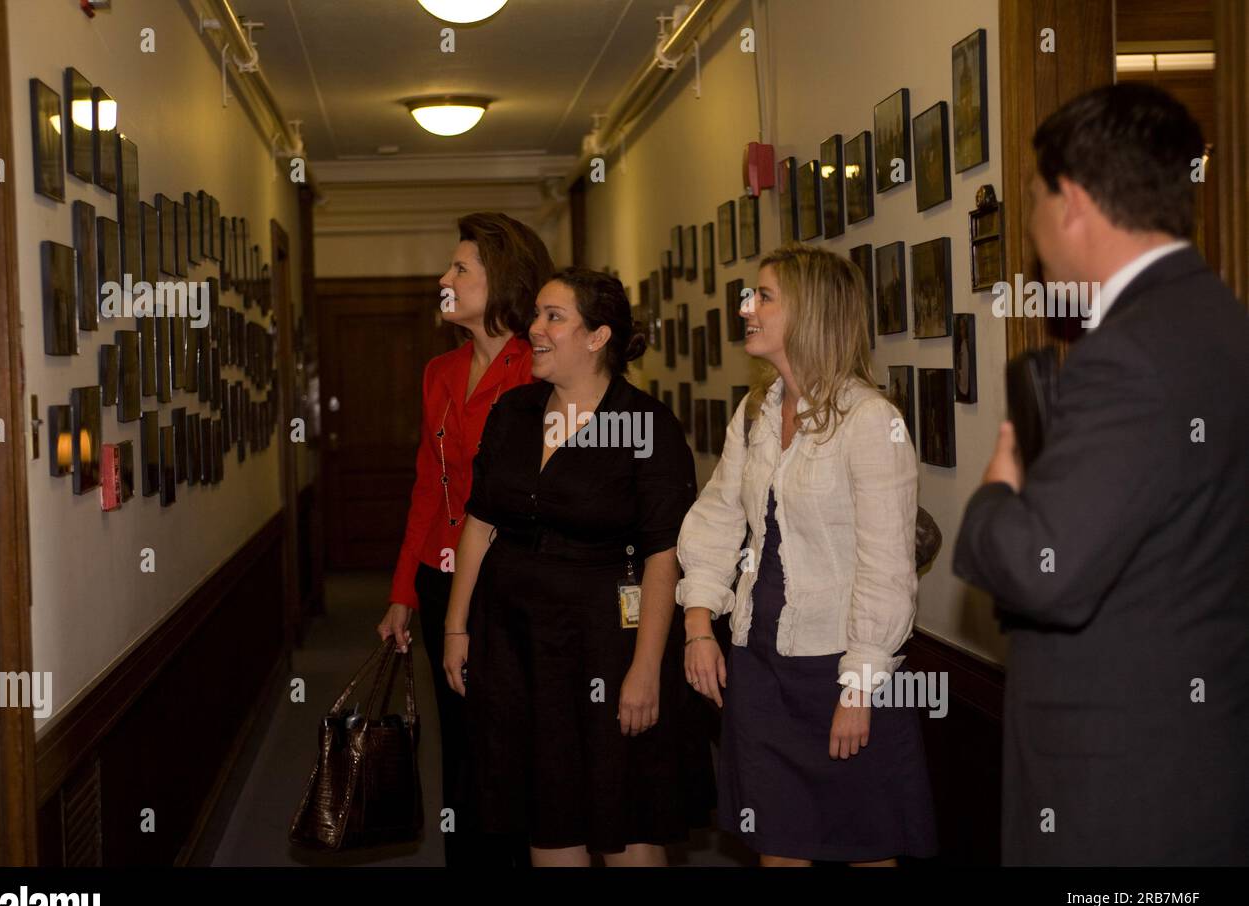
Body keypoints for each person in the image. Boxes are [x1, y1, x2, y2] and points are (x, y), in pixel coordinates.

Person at [953, 83, 1249, 865]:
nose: (1031, 231)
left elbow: (1042, 568)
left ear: (1072, 200)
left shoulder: (1128, 355)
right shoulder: (1224, 325)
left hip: (1119, 797)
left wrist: (997, 489)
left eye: (1032, 202)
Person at [442, 267, 713, 866]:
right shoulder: (513, 412)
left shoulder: (647, 426)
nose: (534, 329)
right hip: (517, 645)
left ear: (597, 337)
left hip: (610, 644)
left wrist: (646, 670)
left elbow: (664, 558)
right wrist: (457, 627)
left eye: (553, 317)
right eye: (537, 314)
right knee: (547, 805)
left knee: (626, 808)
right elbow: (480, 524)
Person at [677, 244, 937, 866]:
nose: (747, 307)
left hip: (843, 673)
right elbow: (716, 518)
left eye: (764, 297)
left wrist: (859, 689)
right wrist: (697, 624)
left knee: (866, 846)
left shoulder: (871, 421)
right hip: (760, 665)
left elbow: (887, 565)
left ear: (812, 313)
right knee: (778, 845)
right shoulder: (756, 414)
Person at [376, 211, 553, 866]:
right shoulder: (439, 371)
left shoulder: (540, 369)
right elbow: (429, 484)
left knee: (514, 742)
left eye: (460, 269)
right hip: (442, 576)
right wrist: (404, 592)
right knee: (459, 742)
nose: (443, 277)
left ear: (500, 281)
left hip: (515, 584)